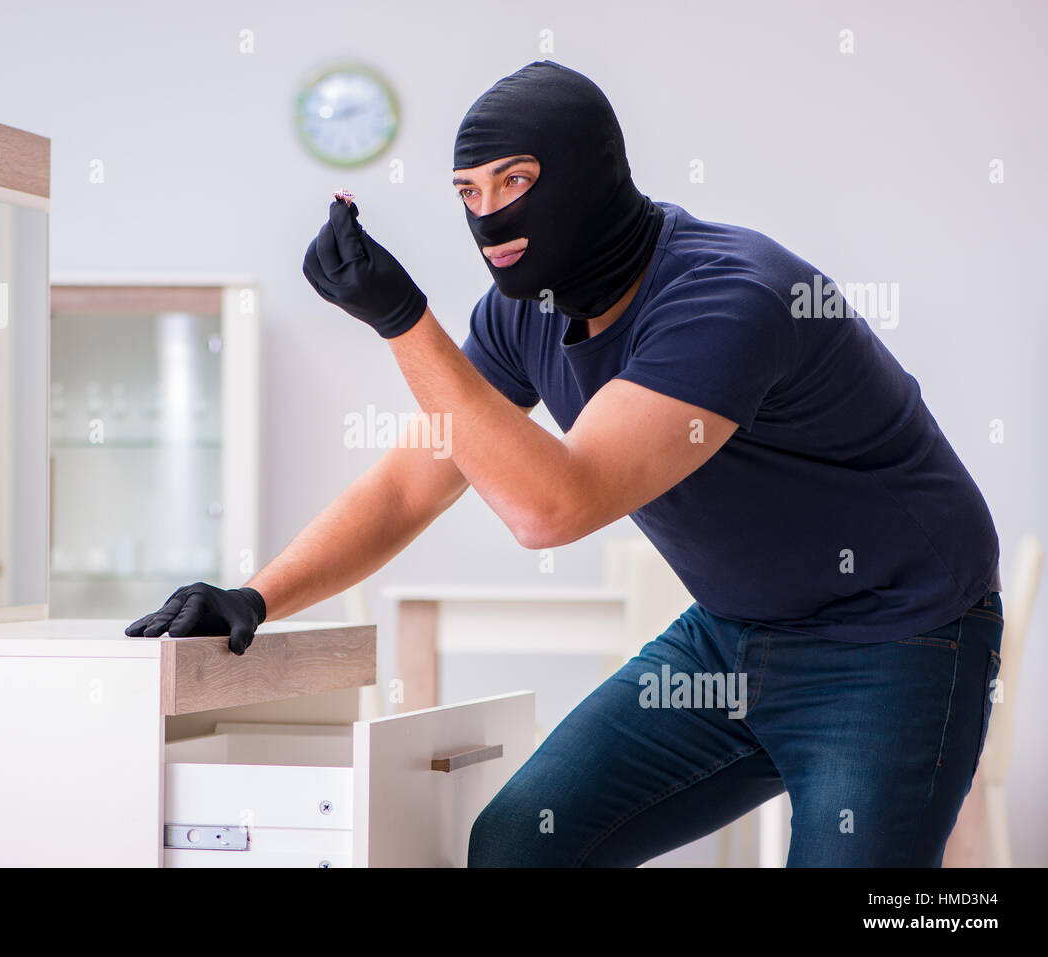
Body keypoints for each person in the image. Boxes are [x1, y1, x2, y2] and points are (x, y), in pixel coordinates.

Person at [127, 59, 1002, 867]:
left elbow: (554, 506)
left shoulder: (729, 296)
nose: (489, 217)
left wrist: (403, 321)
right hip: (732, 633)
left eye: (515, 181)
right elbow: (408, 484)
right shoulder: (524, 317)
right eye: (468, 192)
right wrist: (256, 595)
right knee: (518, 844)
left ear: (590, 172)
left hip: (898, 635)